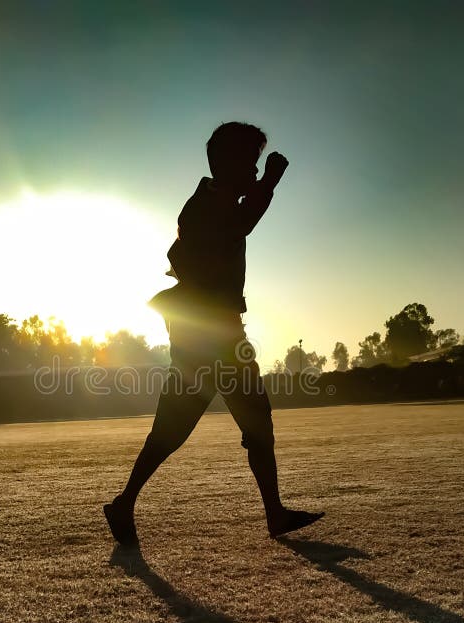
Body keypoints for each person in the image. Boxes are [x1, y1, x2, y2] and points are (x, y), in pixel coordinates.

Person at [104, 122, 324, 545]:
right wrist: (271, 184)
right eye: (252, 164)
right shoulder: (205, 206)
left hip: (217, 331)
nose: (255, 173)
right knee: (179, 427)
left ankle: (273, 513)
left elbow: (238, 223)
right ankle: (124, 503)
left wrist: (263, 185)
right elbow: (240, 226)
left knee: (243, 421)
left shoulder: (213, 200)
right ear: (227, 164)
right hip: (209, 335)